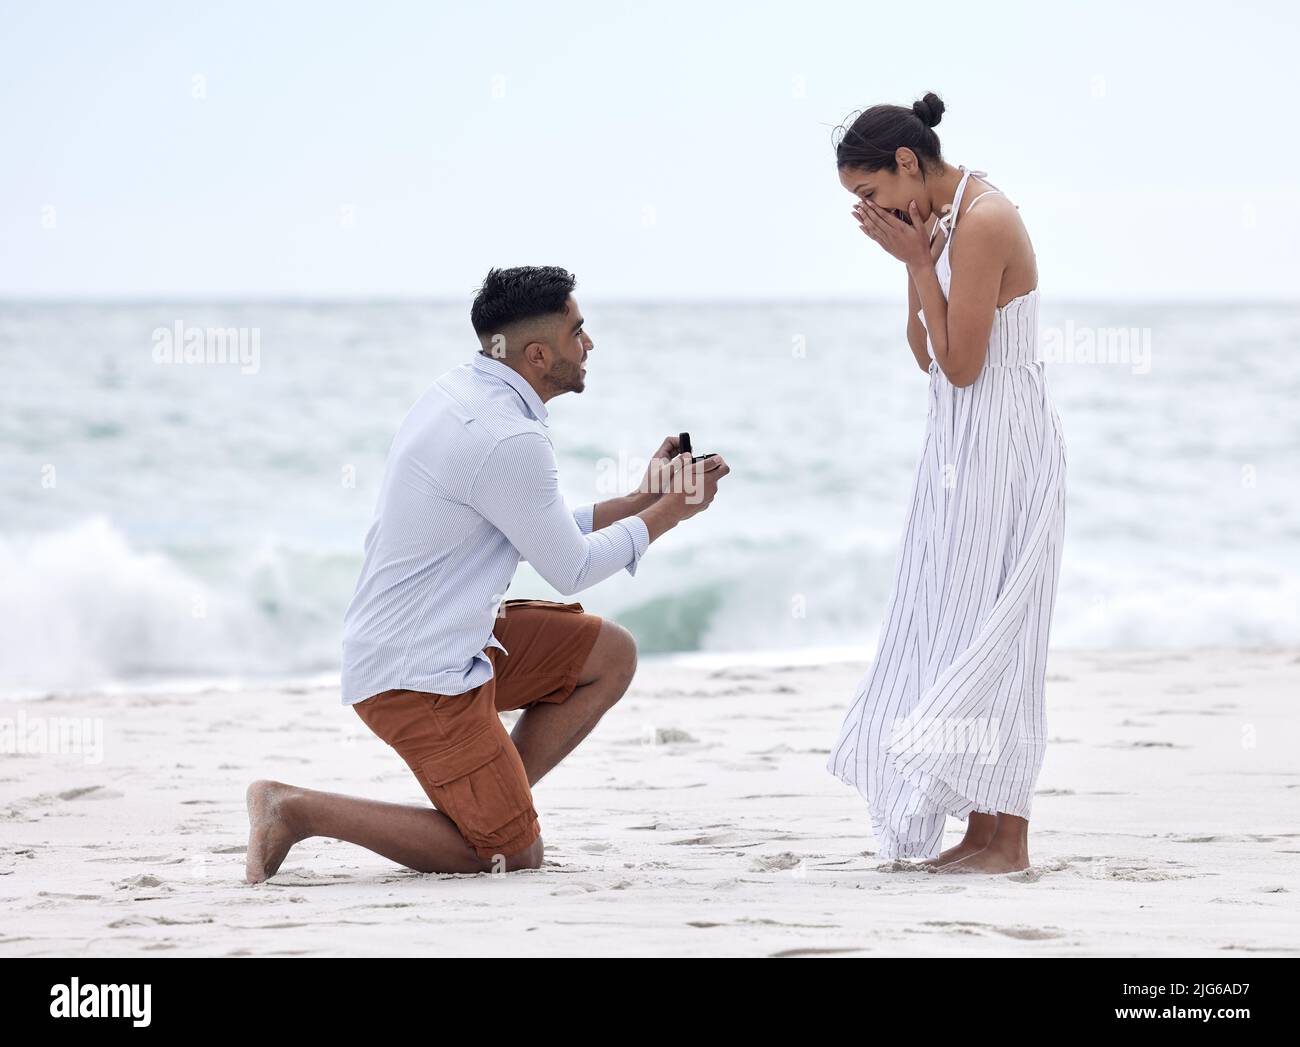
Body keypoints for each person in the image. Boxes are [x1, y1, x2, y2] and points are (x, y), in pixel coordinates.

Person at [244, 265, 728, 882]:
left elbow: (534, 528)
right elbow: (569, 568)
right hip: (417, 674)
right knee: (506, 856)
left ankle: (490, 797)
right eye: (578, 332)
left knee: (608, 653)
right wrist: (669, 515)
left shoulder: (462, 393)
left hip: (442, 636)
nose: (589, 345)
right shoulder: (508, 436)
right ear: (536, 354)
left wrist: (639, 501)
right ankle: (295, 810)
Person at [825, 93, 1067, 874]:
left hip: (1007, 445)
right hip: (962, 448)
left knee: (1000, 635)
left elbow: (964, 365)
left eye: (869, 193)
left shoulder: (987, 219)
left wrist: (923, 262)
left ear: (905, 163)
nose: (869, 209)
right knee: (953, 623)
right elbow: (925, 352)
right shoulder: (944, 223)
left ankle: (1009, 838)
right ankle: (982, 831)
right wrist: (916, 263)